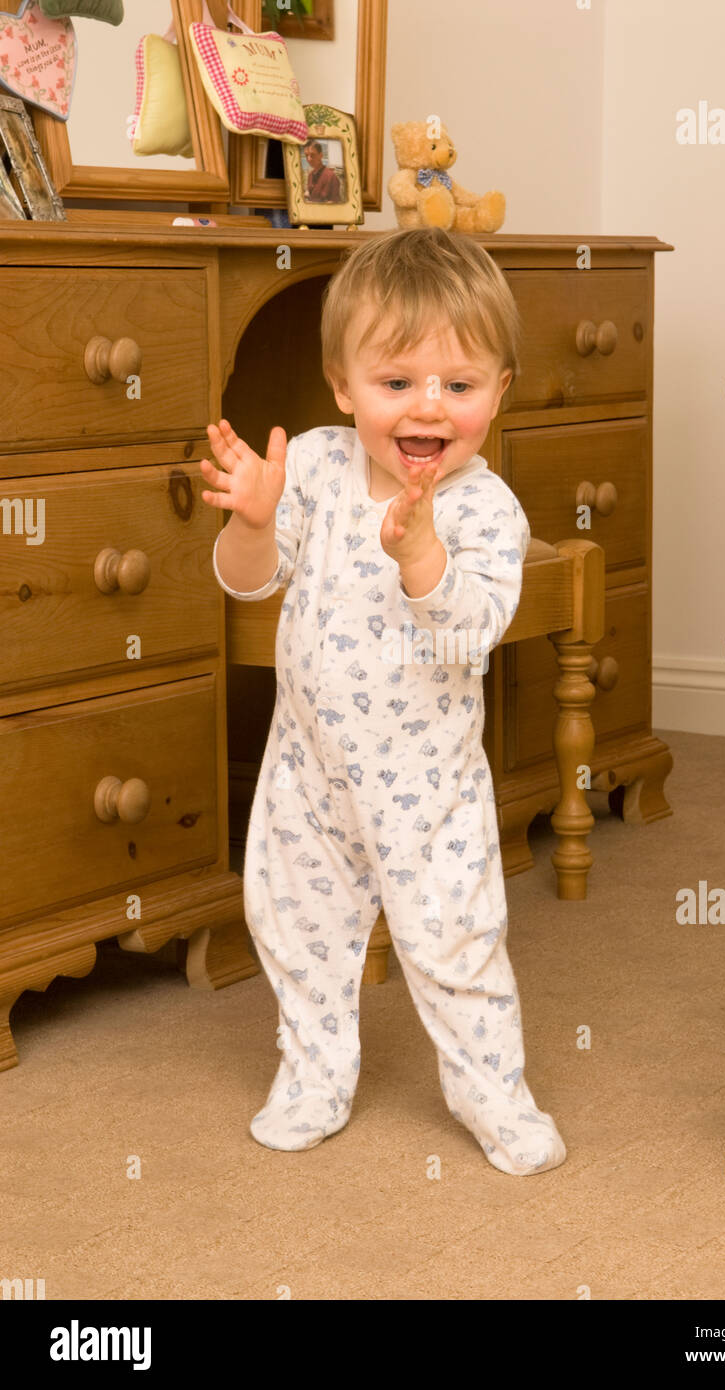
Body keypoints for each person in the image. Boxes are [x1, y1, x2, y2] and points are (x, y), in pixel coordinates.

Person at [200, 226, 567, 1176]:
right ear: (342, 385)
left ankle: (493, 1093)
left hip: (425, 789)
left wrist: (419, 555)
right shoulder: (316, 469)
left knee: (454, 942)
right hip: (308, 774)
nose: (428, 409)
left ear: (500, 392)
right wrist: (250, 520)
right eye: (397, 383)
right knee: (294, 927)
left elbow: (469, 626)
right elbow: (248, 584)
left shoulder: (484, 508)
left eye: (459, 385)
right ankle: (314, 1075)